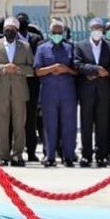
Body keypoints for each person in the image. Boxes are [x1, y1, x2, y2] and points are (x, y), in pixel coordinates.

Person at [0, 17, 34, 166]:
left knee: (19, 124)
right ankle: (3, 155)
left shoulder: (25, 47)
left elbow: (32, 69)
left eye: (12, 30)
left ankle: (17, 155)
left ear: (17, 31)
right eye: (7, 30)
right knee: (1, 124)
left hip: (19, 91)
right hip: (1, 91)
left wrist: (18, 68)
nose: (9, 32)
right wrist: (3, 68)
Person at [34, 19, 77, 167]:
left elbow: (77, 70)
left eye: (60, 32)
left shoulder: (70, 48)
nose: (57, 35)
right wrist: (53, 68)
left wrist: (66, 69)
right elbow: (38, 71)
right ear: (50, 33)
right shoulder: (42, 48)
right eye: (54, 32)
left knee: (69, 125)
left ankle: (69, 156)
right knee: (49, 124)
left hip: (67, 92)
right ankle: (50, 156)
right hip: (49, 92)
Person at [74, 18, 110, 168]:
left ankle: (101, 155)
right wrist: (94, 70)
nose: (97, 30)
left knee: (102, 124)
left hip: (104, 91)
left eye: (99, 28)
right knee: (86, 124)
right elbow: (77, 64)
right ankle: (86, 155)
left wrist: (107, 73)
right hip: (87, 90)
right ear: (89, 29)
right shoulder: (80, 46)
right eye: (94, 28)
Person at [16, 12, 43, 162]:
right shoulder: (11, 38)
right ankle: (16, 151)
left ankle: (31, 151)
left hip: (32, 84)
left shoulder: (36, 39)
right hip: (16, 82)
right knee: (16, 118)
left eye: (24, 21)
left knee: (31, 119)